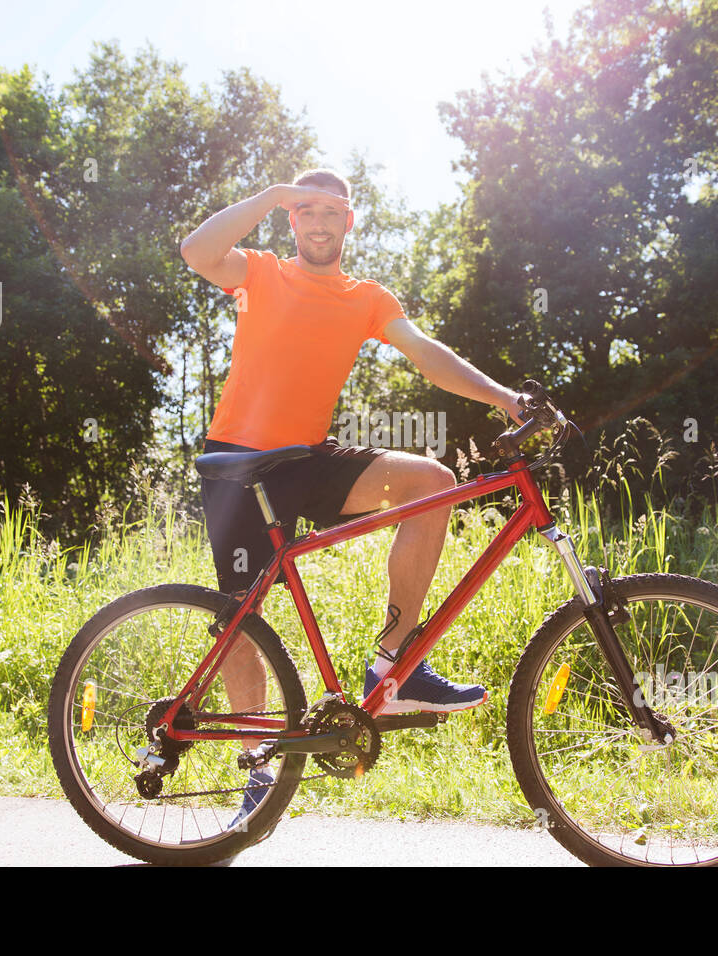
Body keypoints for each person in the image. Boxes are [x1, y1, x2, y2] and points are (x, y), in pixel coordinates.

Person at [179, 168, 523, 829]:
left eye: (330, 211)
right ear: (292, 221)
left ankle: (392, 668)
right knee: (241, 622)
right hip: (236, 465)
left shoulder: (367, 297)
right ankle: (256, 767)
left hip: (306, 459)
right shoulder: (258, 271)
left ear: (348, 224)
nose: (317, 221)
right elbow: (197, 252)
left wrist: (505, 398)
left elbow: (426, 353)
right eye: (305, 210)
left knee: (433, 483)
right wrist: (273, 194)